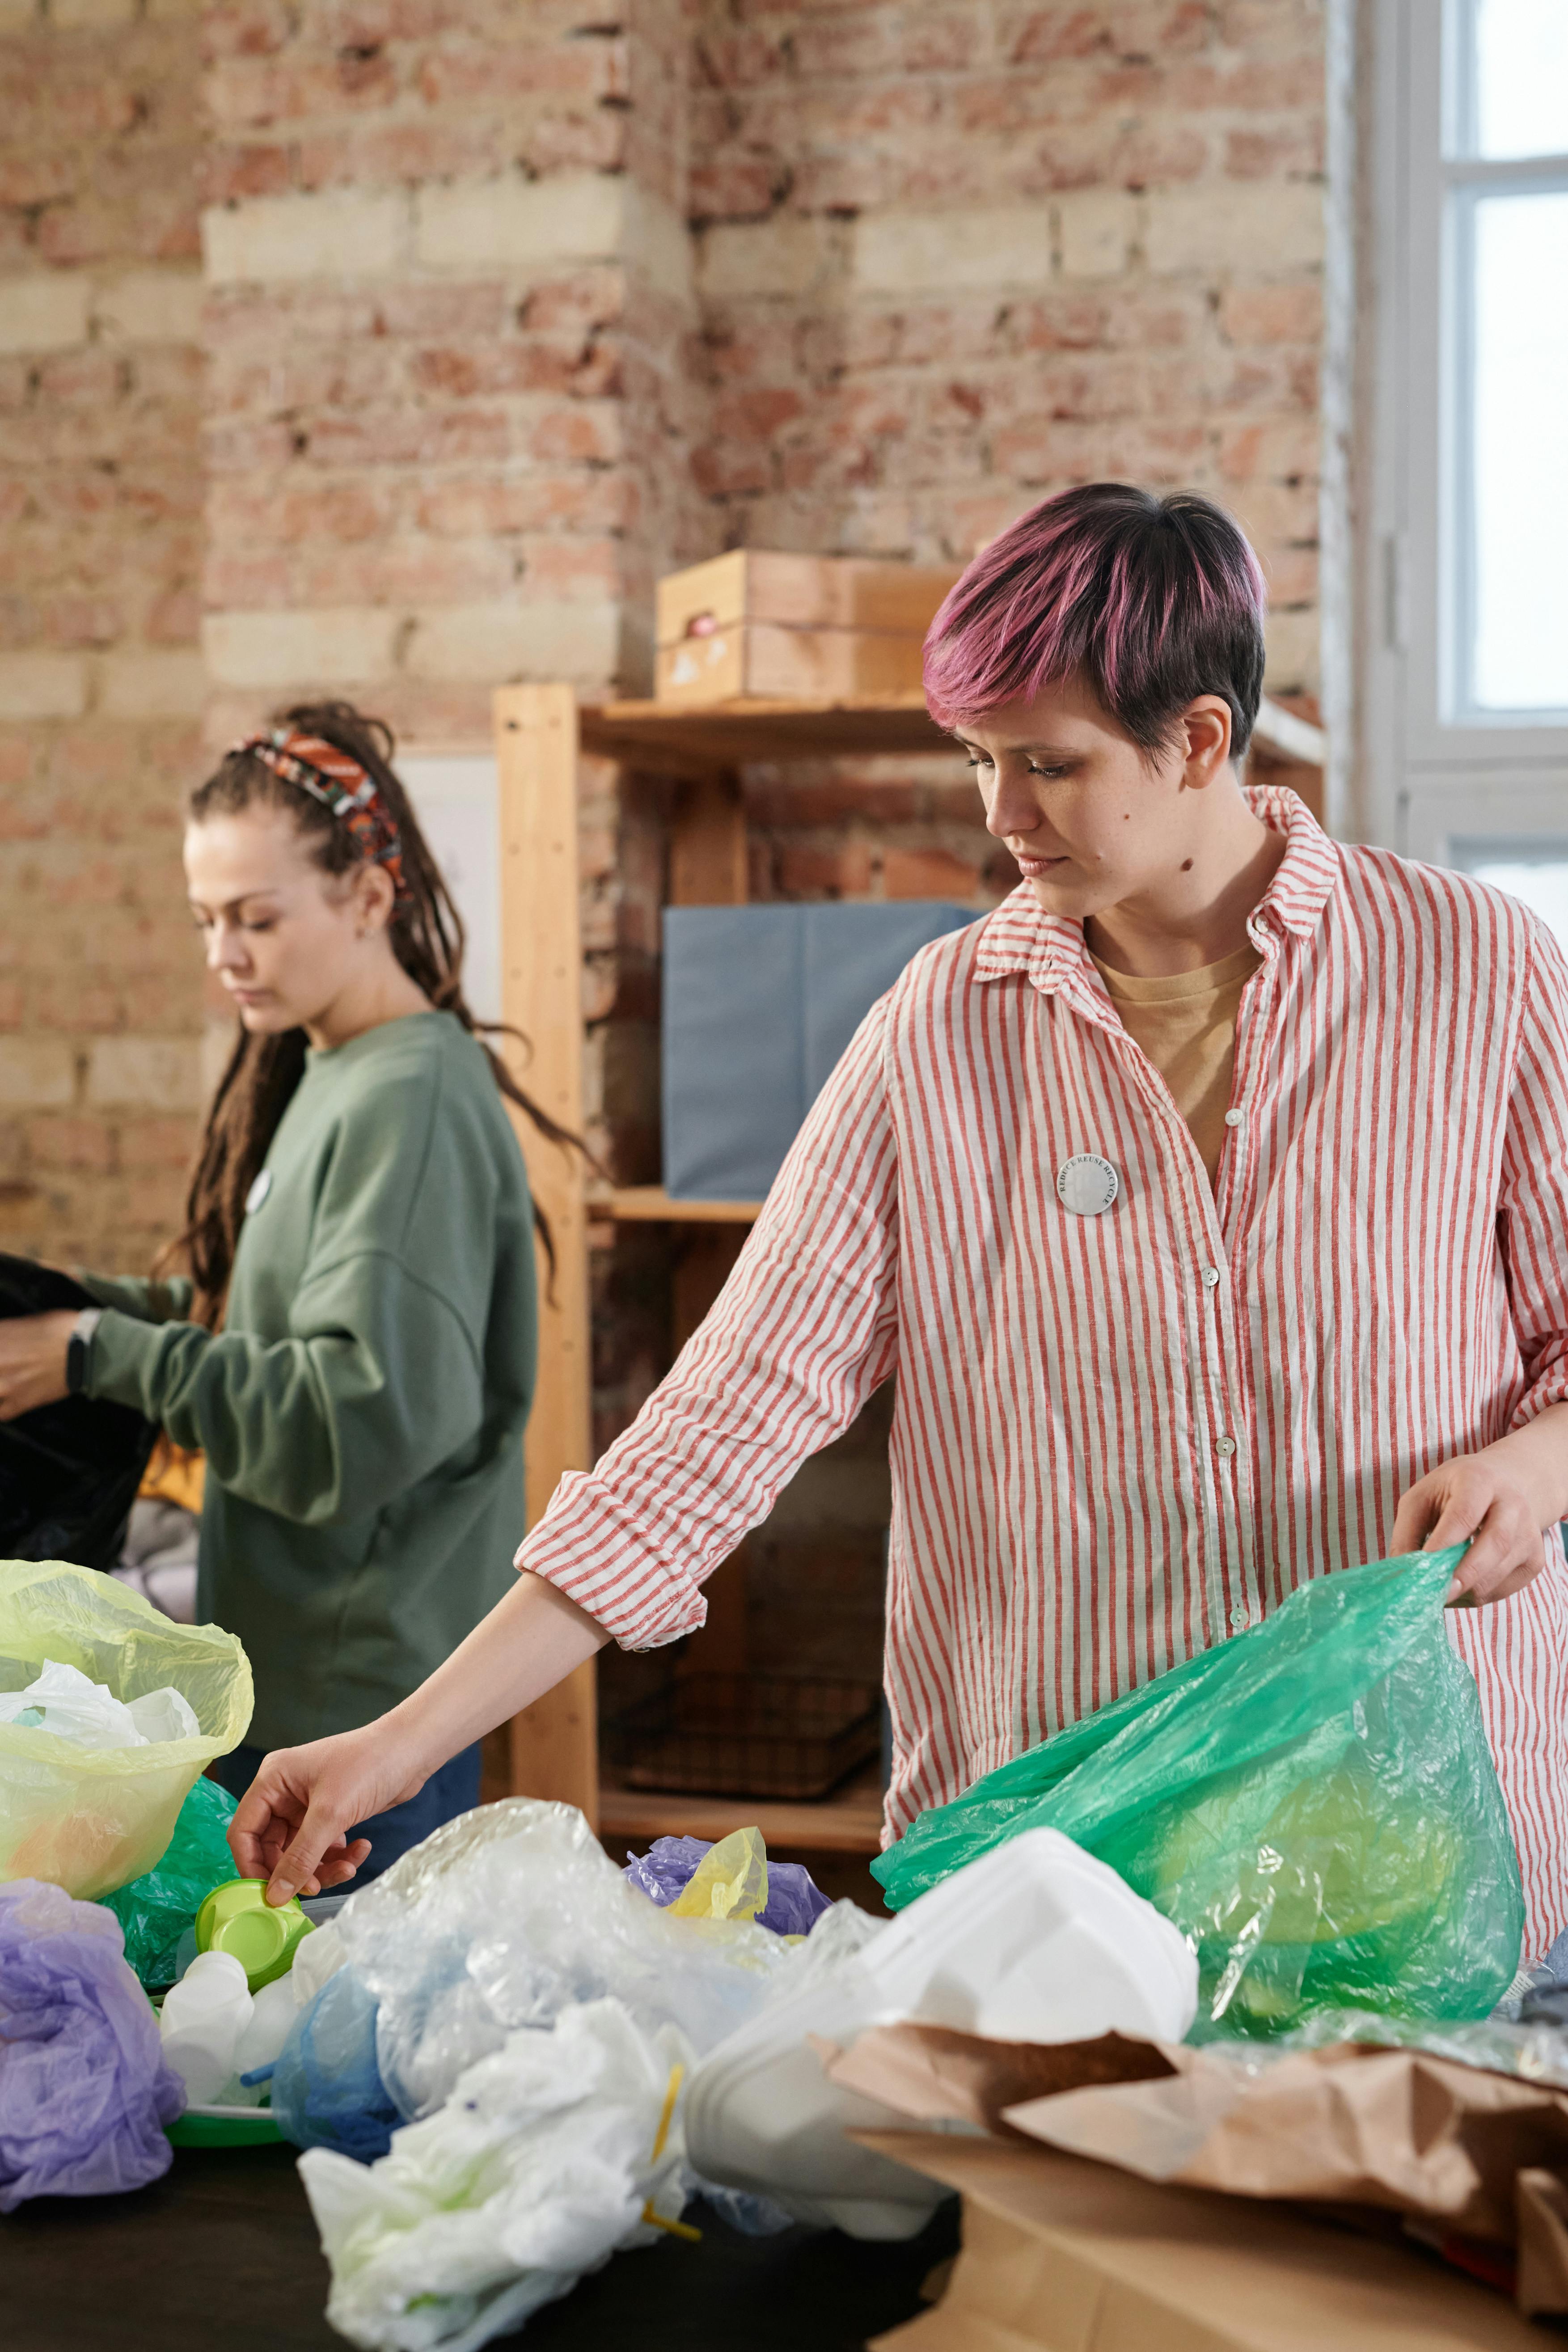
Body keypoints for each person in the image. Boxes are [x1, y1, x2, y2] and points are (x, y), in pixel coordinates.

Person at [224, 489, 1568, 1956]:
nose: (999, 816)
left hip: (1419, 1856)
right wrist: (403, 1740)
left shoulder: (1473, 971)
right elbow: (716, 1426)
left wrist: (1530, 1465)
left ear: (1194, 739)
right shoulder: (942, 1030)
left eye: (1048, 763)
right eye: (981, 759)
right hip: (1069, 1870)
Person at [0, 703, 573, 1878]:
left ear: (369, 895)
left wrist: (97, 1350)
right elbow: (257, 1327)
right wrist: (71, 1307)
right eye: (208, 919)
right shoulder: (333, 1067)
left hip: (359, 1712)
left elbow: (356, 1414)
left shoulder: (405, 1101)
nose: (226, 954)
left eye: (257, 918)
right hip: (311, 1678)